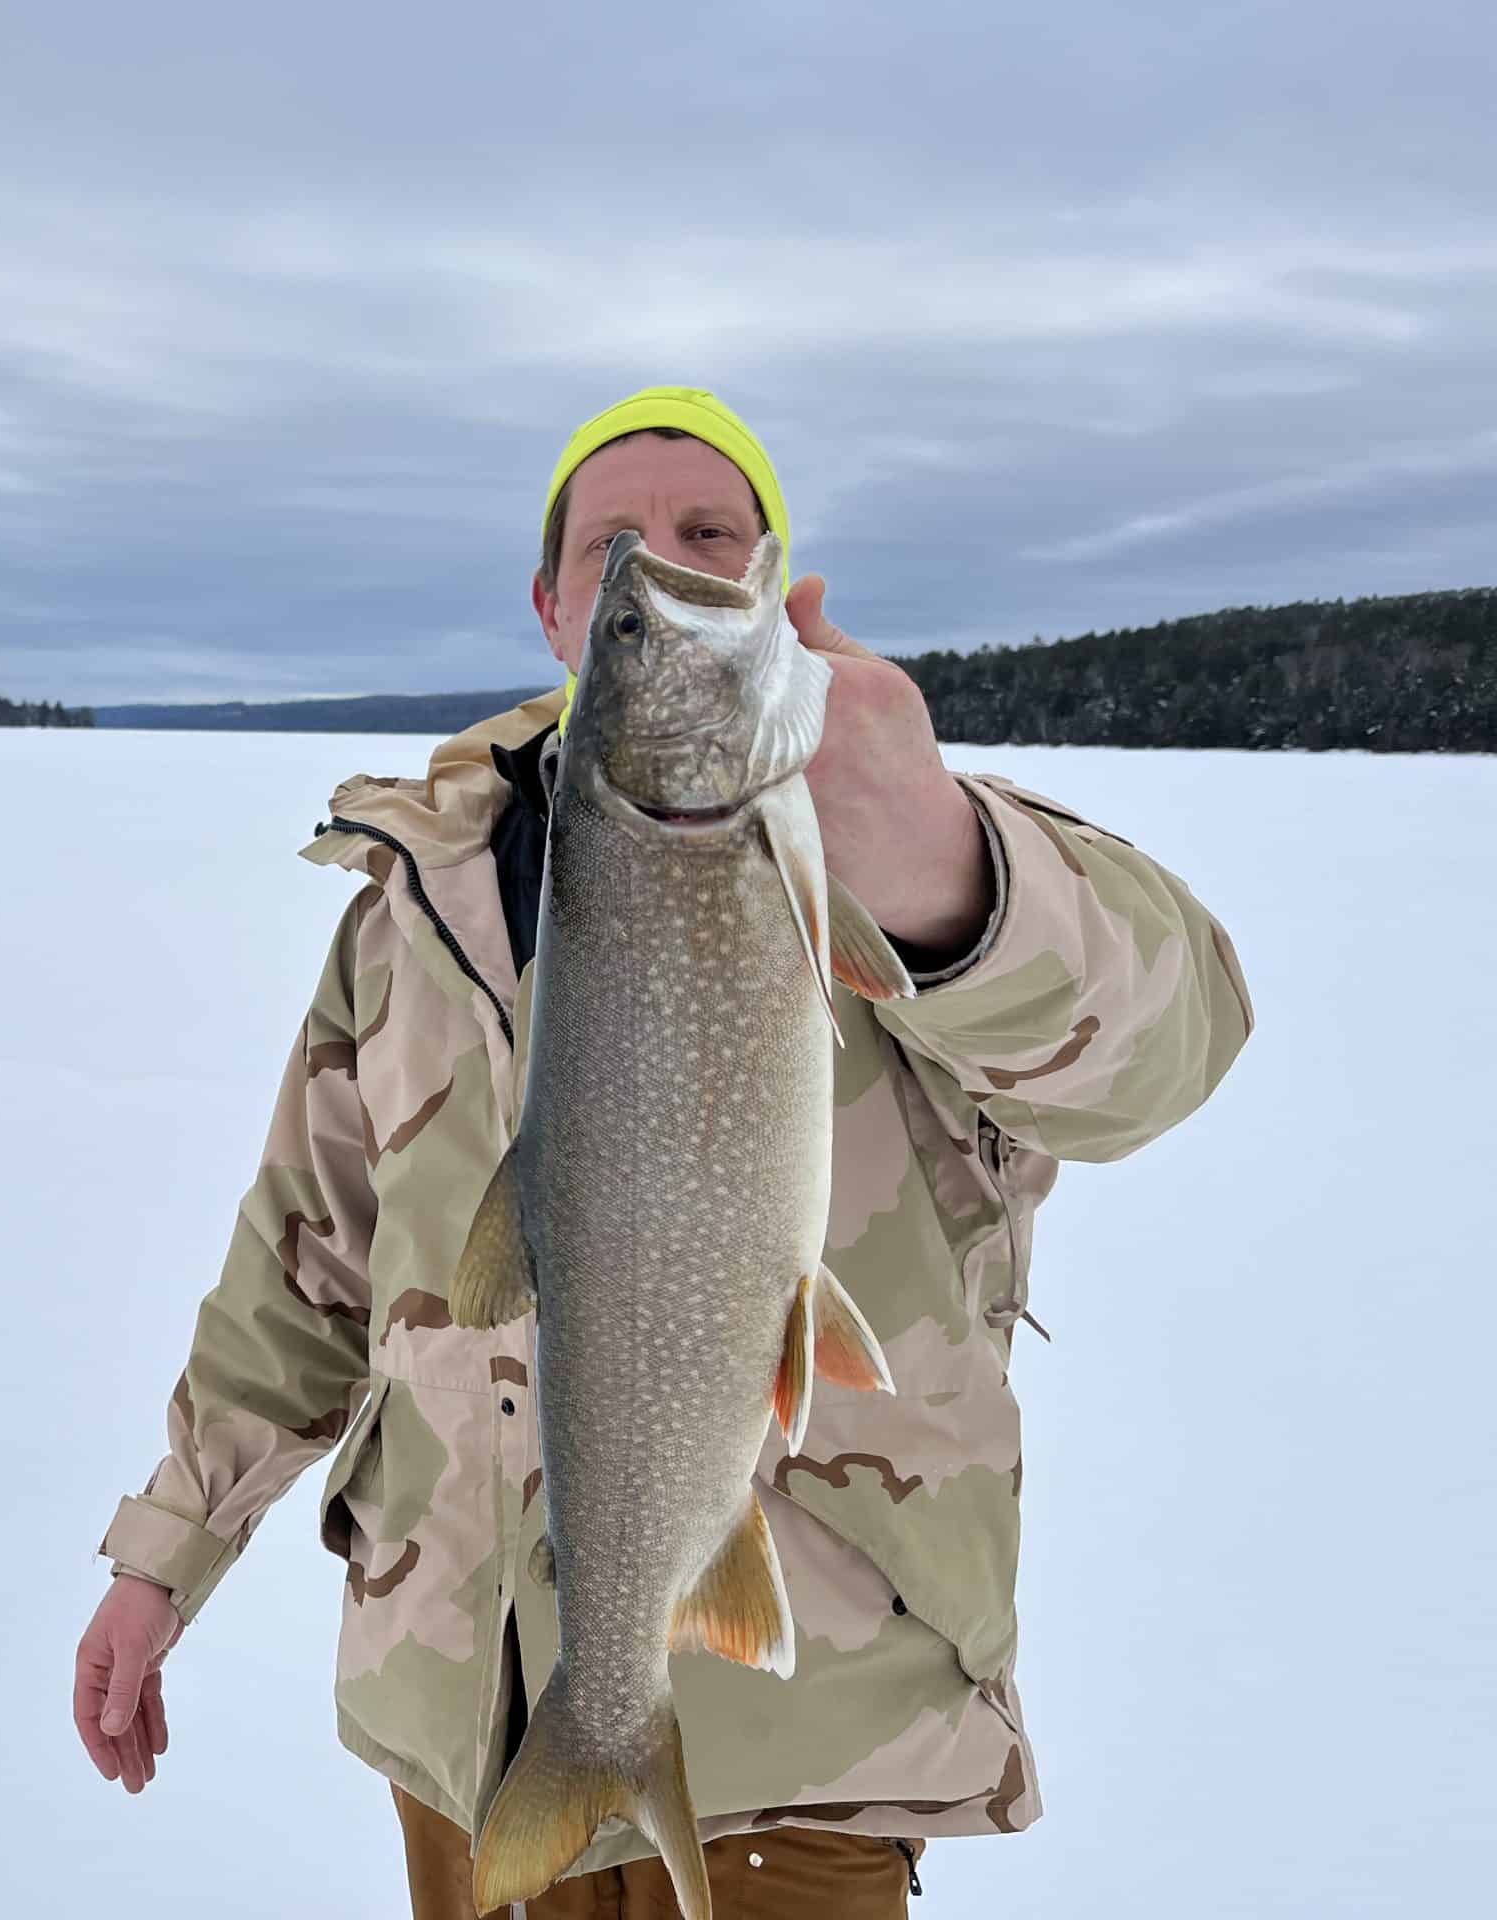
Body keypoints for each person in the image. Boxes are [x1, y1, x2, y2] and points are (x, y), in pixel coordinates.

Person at [71, 386, 1256, 1918]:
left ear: (776, 581)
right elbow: (304, 1265)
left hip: (801, 1757)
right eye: (613, 553)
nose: (663, 569)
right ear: (552, 607)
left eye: (708, 532)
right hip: (465, 1738)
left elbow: (1170, 1046)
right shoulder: (410, 907)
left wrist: (944, 866)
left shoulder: (889, 835)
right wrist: (166, 1553)